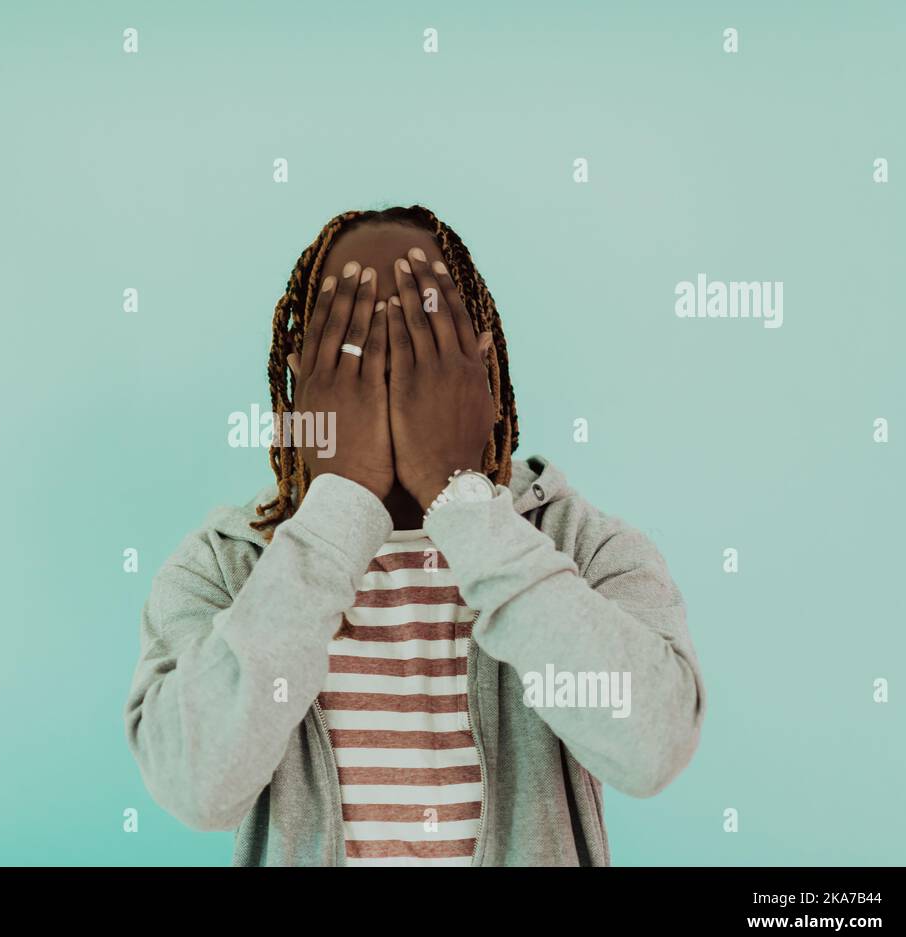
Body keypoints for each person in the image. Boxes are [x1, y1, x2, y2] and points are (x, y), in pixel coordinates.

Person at [125, 204, 705, 866]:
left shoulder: (580, 548)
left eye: (421, 328)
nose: (389, 364)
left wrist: (462, 501)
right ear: (301, 376)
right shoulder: (228, 565)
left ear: (480, 364)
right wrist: (339, 505)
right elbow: (193, 785)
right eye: (352, 335)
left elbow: (653, 748)